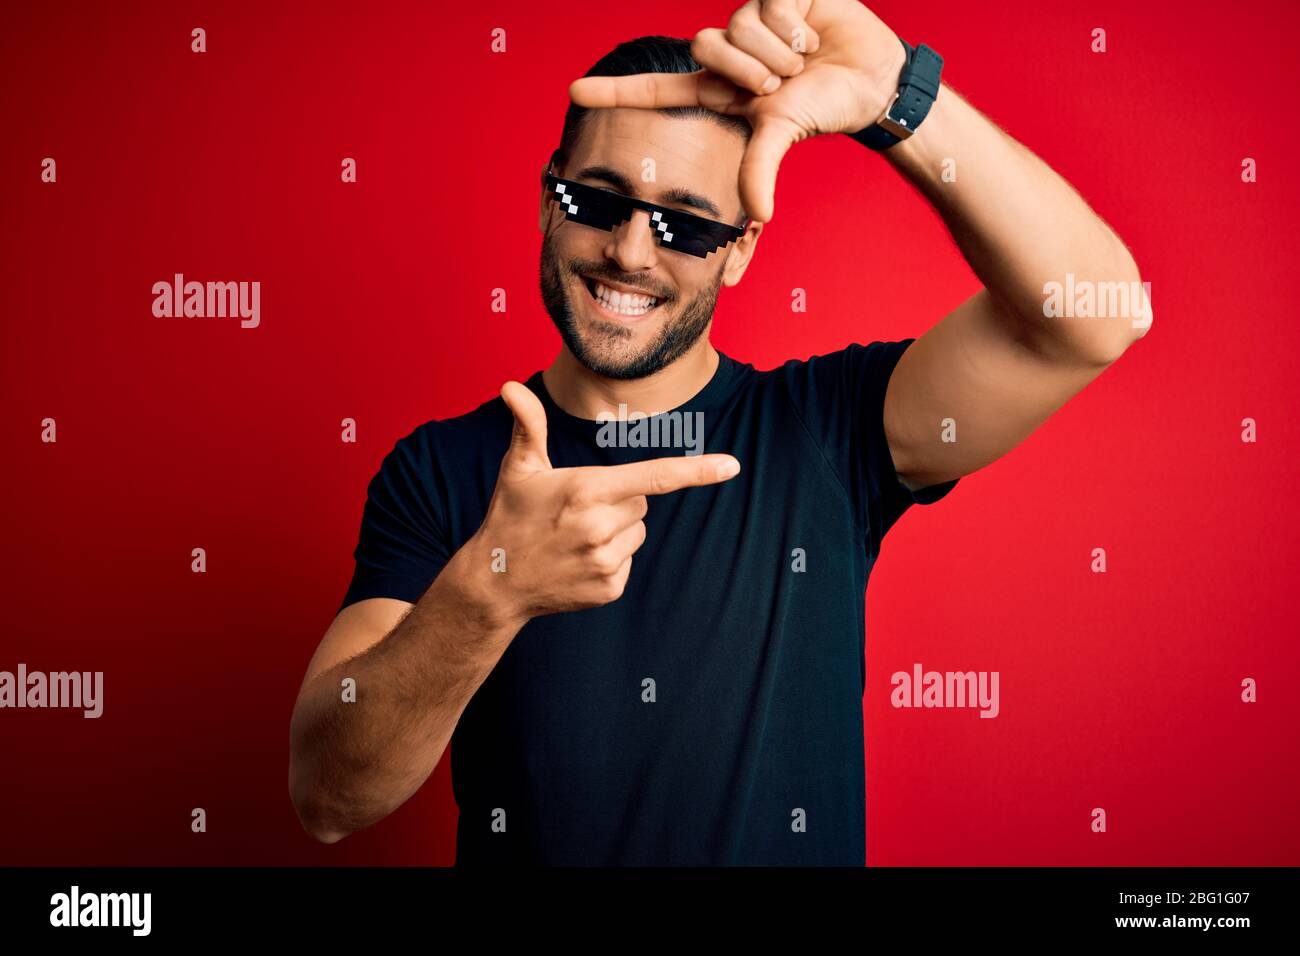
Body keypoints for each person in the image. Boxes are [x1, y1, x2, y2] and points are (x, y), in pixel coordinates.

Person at [288, 0, 1151, 865]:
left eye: (688, 223)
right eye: (598, 199)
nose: (630, 252)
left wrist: (901, 96)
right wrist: (489, 593)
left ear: (739, 248)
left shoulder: (830, 428)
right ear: (548, 199)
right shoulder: (438, 470)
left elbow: (1094, 319)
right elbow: (329, 797)